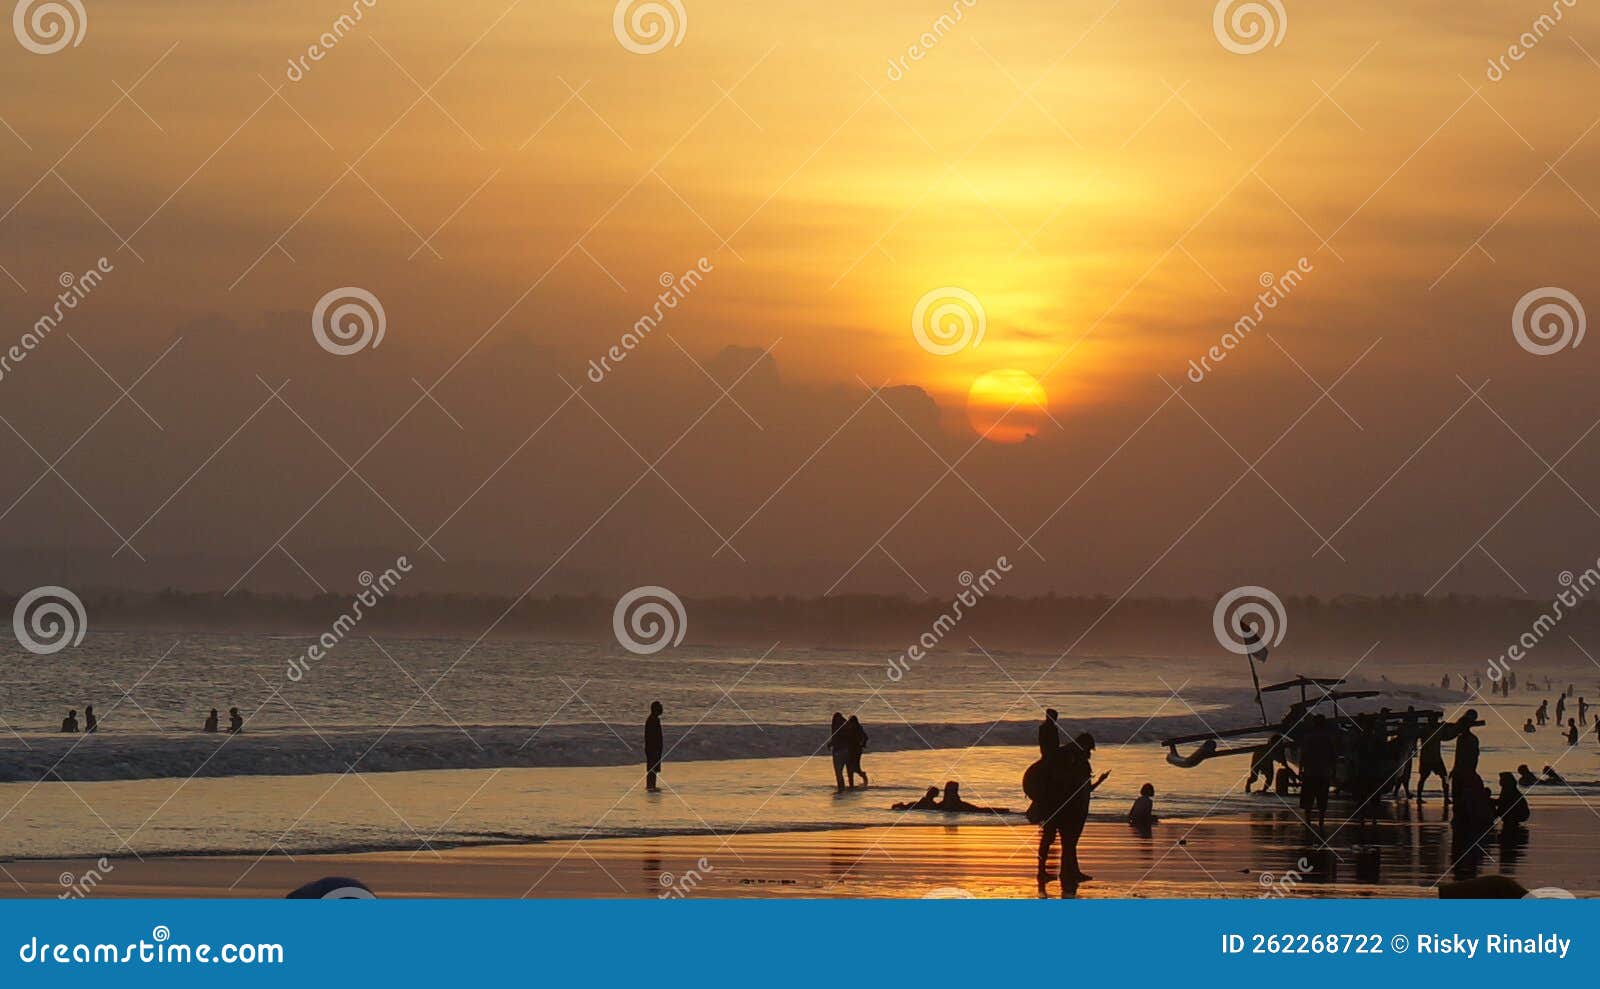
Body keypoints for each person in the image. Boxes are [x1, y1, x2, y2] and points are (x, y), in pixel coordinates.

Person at [1297, 715, 1336, 832]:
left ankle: (1308, 821)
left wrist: (1300, 770)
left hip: (1310, 771)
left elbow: (1303, 755)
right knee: (1322, 798)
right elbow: (1332, 755)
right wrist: (1333, 770)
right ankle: (1321, 821)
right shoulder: (1328, 738)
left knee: (1308, 797)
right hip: (1323, 772)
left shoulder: (1309, 737)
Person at [1417, 719, 1454, 804]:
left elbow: (1447, 736)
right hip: (1430, 759)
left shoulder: (1427, 729)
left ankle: (1446, 798)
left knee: (1444, 777)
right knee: (1424, 778)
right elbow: (1447, 736)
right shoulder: (1428, 730)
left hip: (1433, 758)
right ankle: (1419, 797)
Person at [934, 781, 1006, 814]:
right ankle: (1001, 811)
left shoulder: (943, 804)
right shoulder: (943, 804)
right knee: (980, 810)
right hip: (961, 806)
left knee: (980, 810)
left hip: (961, 806)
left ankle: (1001, 811)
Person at [644, 700, 663, 791]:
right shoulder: (652, 720)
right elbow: (651, 737)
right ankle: (650, 786)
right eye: (660, 708)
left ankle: (652, 786)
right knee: (652, 769)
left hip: (655, 748)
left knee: (654, 769)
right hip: (652, 749)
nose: (662, 709)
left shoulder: (654, 719)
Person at [845, 715, 869, 787]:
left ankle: (862, 777)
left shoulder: (858, 728)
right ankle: (851, 784)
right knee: (850, 768)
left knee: (855, 767)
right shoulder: (852, 728)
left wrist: (862, 744)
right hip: (851, 750)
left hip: (856, 750)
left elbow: (865, 737)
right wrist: (863, 744)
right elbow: (865, 737)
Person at [828, 712, 849, 792]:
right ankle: (844, 786)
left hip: (838, 751)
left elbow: (835, 738)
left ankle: (841, 787)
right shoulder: (846, 726)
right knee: (845, 770)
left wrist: (830, 744)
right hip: (846, 750)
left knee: (838, 771)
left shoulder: (837, 727)